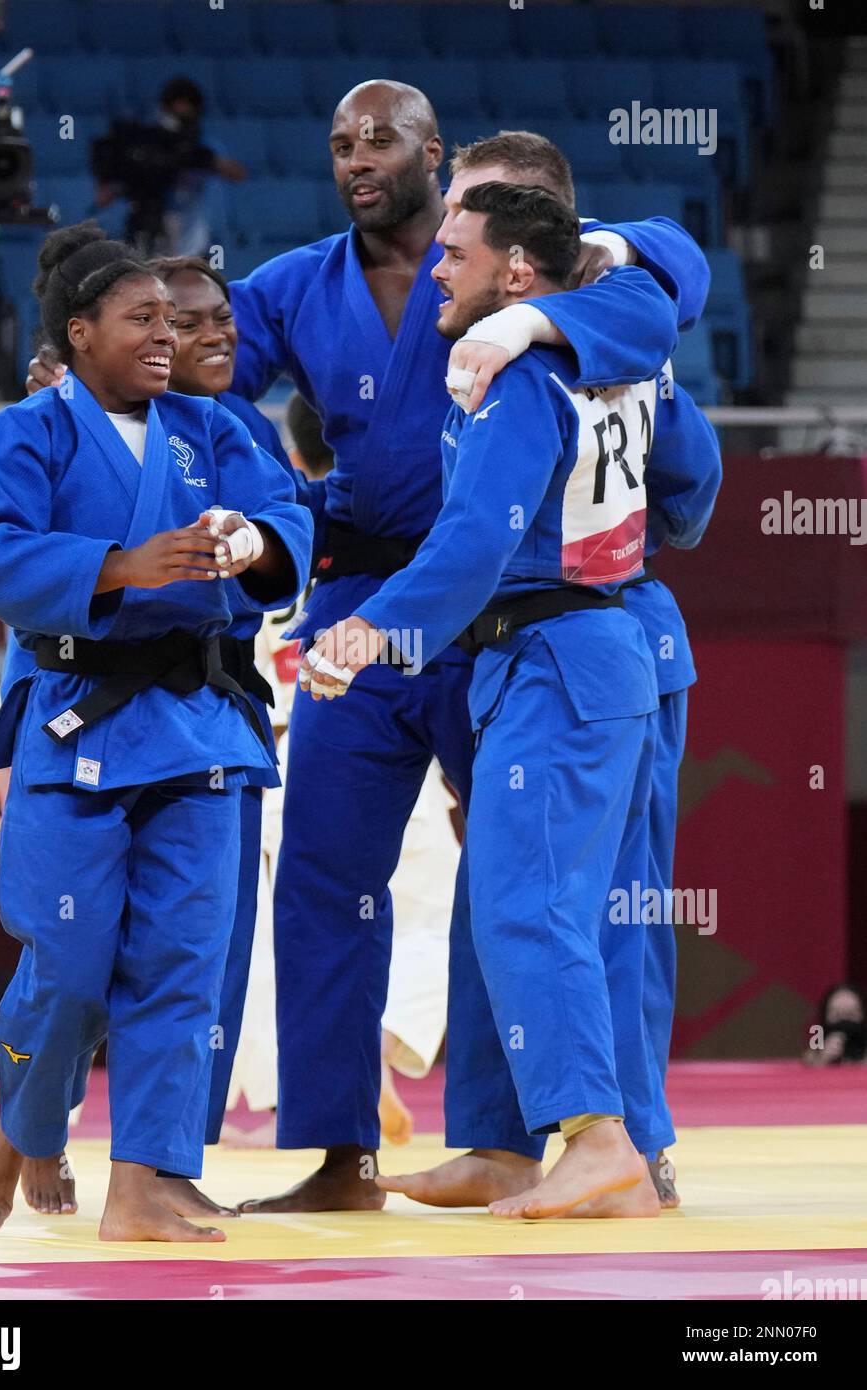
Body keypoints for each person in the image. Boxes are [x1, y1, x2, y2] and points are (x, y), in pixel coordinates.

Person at [226, 84, 707, 1215]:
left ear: (535, 245)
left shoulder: (585, 319)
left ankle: (607, 1137)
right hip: (427, 604)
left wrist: (539, 320)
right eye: (338, 137)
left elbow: (665, 277)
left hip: (516, 619)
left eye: (378, 138)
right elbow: (192, 358)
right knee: (418, 884)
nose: (355, 156)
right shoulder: (306, 287)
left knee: (560, 897)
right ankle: (411, 1144)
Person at [0, 222, 311, 1241]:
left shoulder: (213, 429)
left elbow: (289, 512)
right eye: (141, 319)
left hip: (200, 726)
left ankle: (147, 1178)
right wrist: (117, 566)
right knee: (66, 962)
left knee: (183, 961)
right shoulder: (25, 436)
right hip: (78, 729)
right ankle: (22, 1123)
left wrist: (256, 540)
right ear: (80, 333)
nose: (167, 336)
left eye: (175, 318)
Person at [92, 77, 246, 256]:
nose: (182, 117)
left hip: (192, 239)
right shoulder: (147, 144)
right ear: (164, 108)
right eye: (176, 110)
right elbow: (103, 198)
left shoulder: (205, 146)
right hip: (150, 233)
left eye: (189, 110)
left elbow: (237, 173)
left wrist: (195, 157)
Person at [804, 983, 867, 1066]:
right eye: (837, 1015)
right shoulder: (814, 1051)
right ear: (825, 1016)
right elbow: (808, 1070)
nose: (844, 1021)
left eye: (851, 1014)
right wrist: (822, 1060)